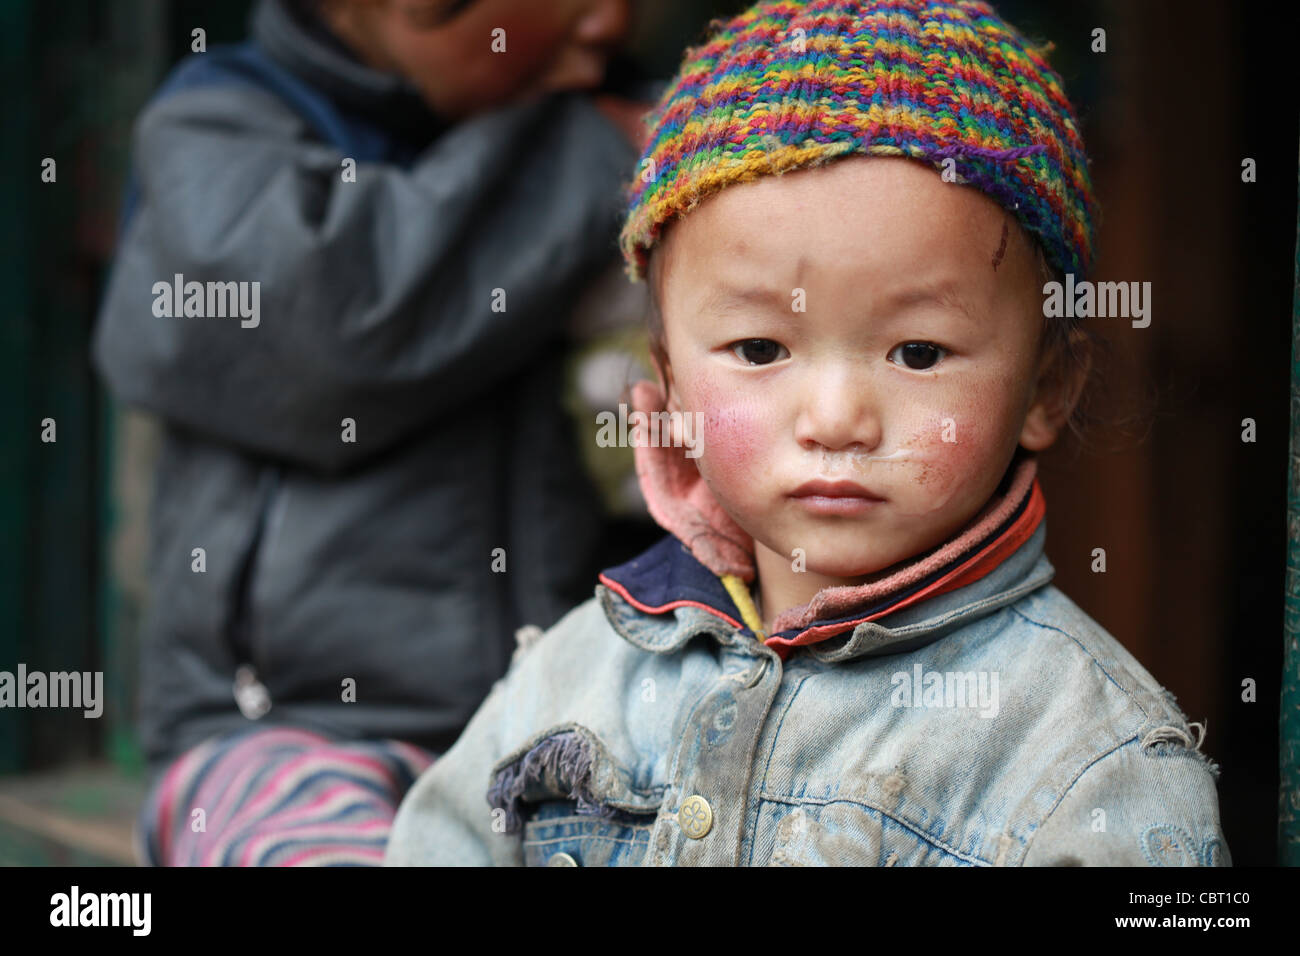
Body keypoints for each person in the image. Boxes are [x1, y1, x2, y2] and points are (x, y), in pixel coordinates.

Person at [384, 0, 1231, 866]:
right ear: (668, 379)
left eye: (917, 351)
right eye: (759, 348)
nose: (835, 420)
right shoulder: (576, 677)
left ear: (1046, 389)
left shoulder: (1089, 761)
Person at [92, 0, 649, 865]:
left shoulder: (611, 115)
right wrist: (587, 162)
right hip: (286, 736)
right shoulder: (217, 130)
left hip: (552, 733)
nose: (609, 20)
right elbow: (338, 331)